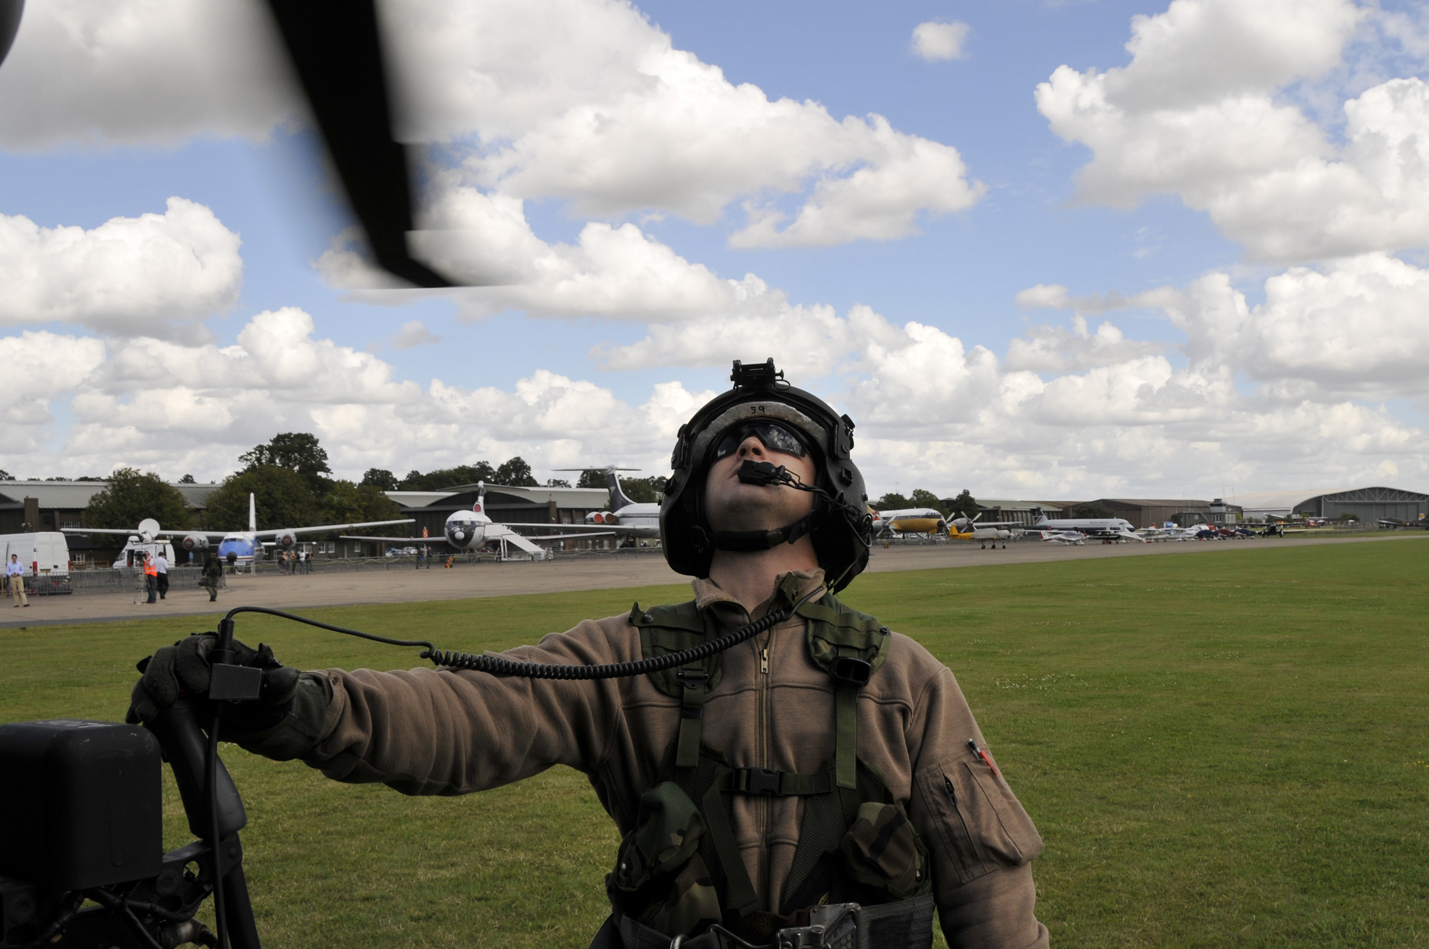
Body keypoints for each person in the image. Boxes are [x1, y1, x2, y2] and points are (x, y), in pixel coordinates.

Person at [126, 360, 1047, 949]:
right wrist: (291, 701)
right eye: (728, 441)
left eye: (783, 440)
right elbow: (460, 714)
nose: (754, 444)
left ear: (832, 489)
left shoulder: (904, 677)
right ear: (691, 492)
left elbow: (987, 888)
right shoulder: (619, 658)